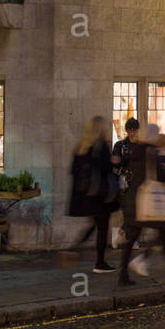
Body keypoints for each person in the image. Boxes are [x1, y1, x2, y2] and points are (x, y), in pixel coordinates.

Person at [117, 124, 165, 286]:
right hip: (146, 200)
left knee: (132, 237)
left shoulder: (135, 150)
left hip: (133, 198)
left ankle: (123, 273)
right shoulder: (149, 151)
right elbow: (160, 174)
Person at [69, 116, 120, 274]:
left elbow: (73, 171)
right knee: (102, 227)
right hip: (101, 195)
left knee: (94, 224)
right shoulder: (100, 146)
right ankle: (100, 262)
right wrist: (114, 162)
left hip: (87, 195)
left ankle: (76, 247)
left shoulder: (81, 147)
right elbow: (105, 168)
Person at [112, 117, 140, 192]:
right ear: (127, 131)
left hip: (138, 180)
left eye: (134, 131)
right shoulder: (120, 145)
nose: (132, 133)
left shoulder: (142, 146)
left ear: (138, 130)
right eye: (129, 130)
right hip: (124, 180)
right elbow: (115, 164)